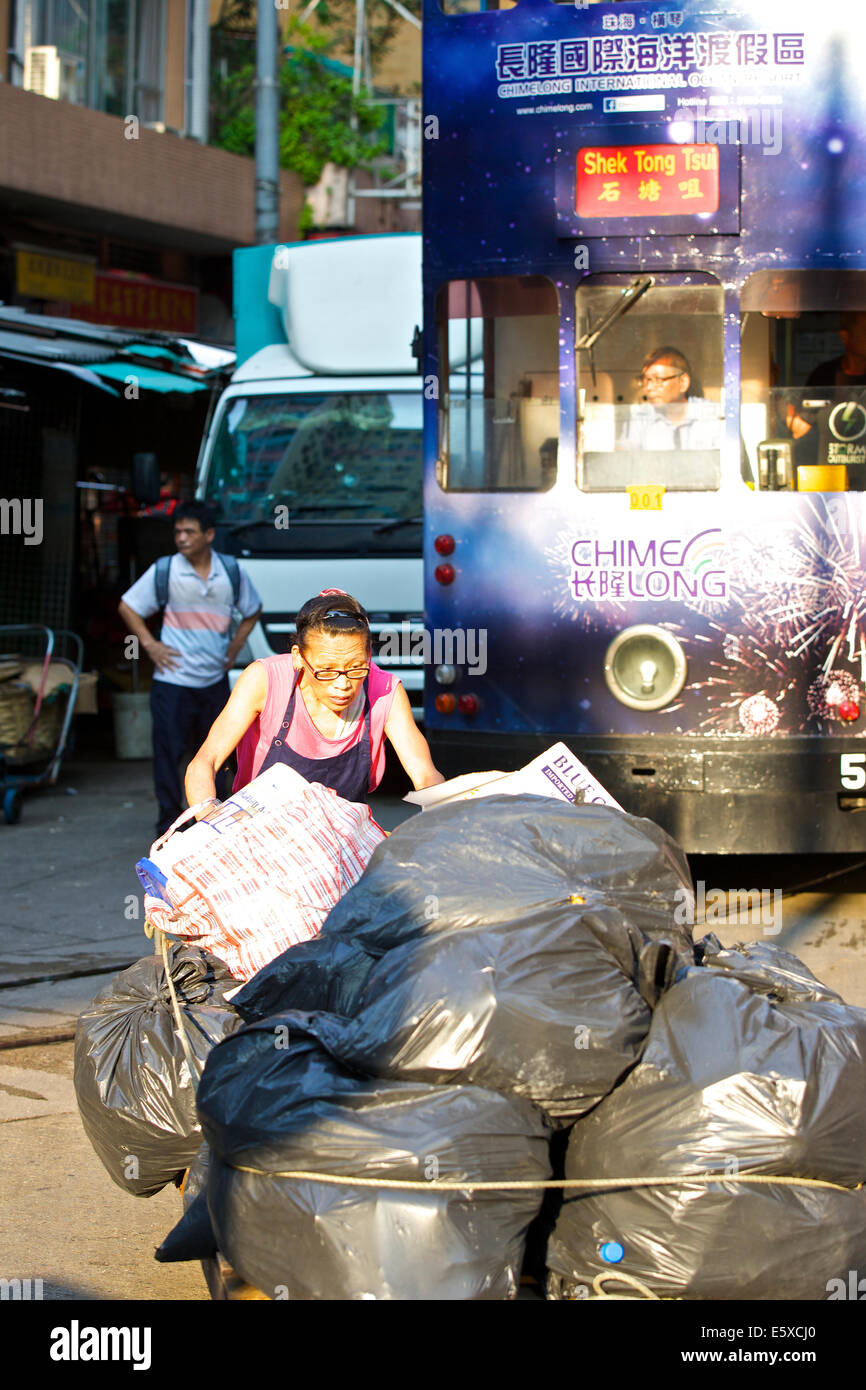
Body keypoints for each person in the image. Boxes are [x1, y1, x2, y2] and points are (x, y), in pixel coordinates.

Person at [185, 590, 445, 811]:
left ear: (369, 655)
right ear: (298, 656)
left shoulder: (385, 690)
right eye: (327, 670)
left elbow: (425, 774)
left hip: (342, 841)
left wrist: (435, 819)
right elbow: (204, 764)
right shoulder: (264, 680)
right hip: (259, 835)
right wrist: (212, 825)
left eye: (356, 668)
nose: (342, 684)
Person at [118, 501, 263, 836]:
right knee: (167, 756)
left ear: (209, 535)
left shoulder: (230, 571)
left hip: (214, 682)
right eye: (177, 532)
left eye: (189, 531)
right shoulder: (165, 570)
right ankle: (169, 824)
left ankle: (218, 822)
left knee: (221, 755)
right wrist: (150, 645)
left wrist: (235, 646)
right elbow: (127, 607)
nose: (181, 538)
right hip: (172, 682)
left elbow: (252, 610)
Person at [617, 346, 720, 451]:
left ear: (683, 382)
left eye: (658, 379)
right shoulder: (640, 418)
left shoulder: (710, 416)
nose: (649, 388)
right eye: (646, 380)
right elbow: (625, 459)